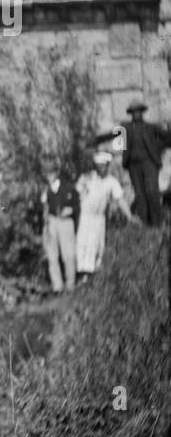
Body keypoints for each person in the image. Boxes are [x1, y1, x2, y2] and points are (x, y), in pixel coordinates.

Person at [75, 150, 134, 280]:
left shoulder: (111, 181)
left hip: (99, 219)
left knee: (96, 245)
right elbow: (75, 197)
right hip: (85, 217)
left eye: (104, 165)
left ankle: (92, 278)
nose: (101, 167)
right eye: (99, 165)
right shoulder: (86, 177)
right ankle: (82, 277)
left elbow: (120, 200)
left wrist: (129, 216)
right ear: (96, 165)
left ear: (107, 165)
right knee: (82, 244)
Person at [122, 99, 170, 226]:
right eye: (133, 112)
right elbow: (110, 134)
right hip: (133, 165)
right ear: (130, 113)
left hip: (149, 163)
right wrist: (94, 141)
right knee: (140, 194)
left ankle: (157, 224)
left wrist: (158, 147)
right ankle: (145, 224)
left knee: (152, 191)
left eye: (138, 111)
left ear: (142, 112)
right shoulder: (125, 128)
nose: (135, 114)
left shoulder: (150, 127)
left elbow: (168, 138)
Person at [40, 167, 78, 293]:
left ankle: (70, 284)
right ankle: (57, 286)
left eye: (51, 172)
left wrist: (70, 210)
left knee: (69, 254)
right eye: (47, 173)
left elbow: (77, 205)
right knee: (52, 255)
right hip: (52, 222)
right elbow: (45, 208)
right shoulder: (46, 190)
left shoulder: (68, 188)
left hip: (66, 222)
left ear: (56, 173)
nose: (49, 175)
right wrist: (45, 226)